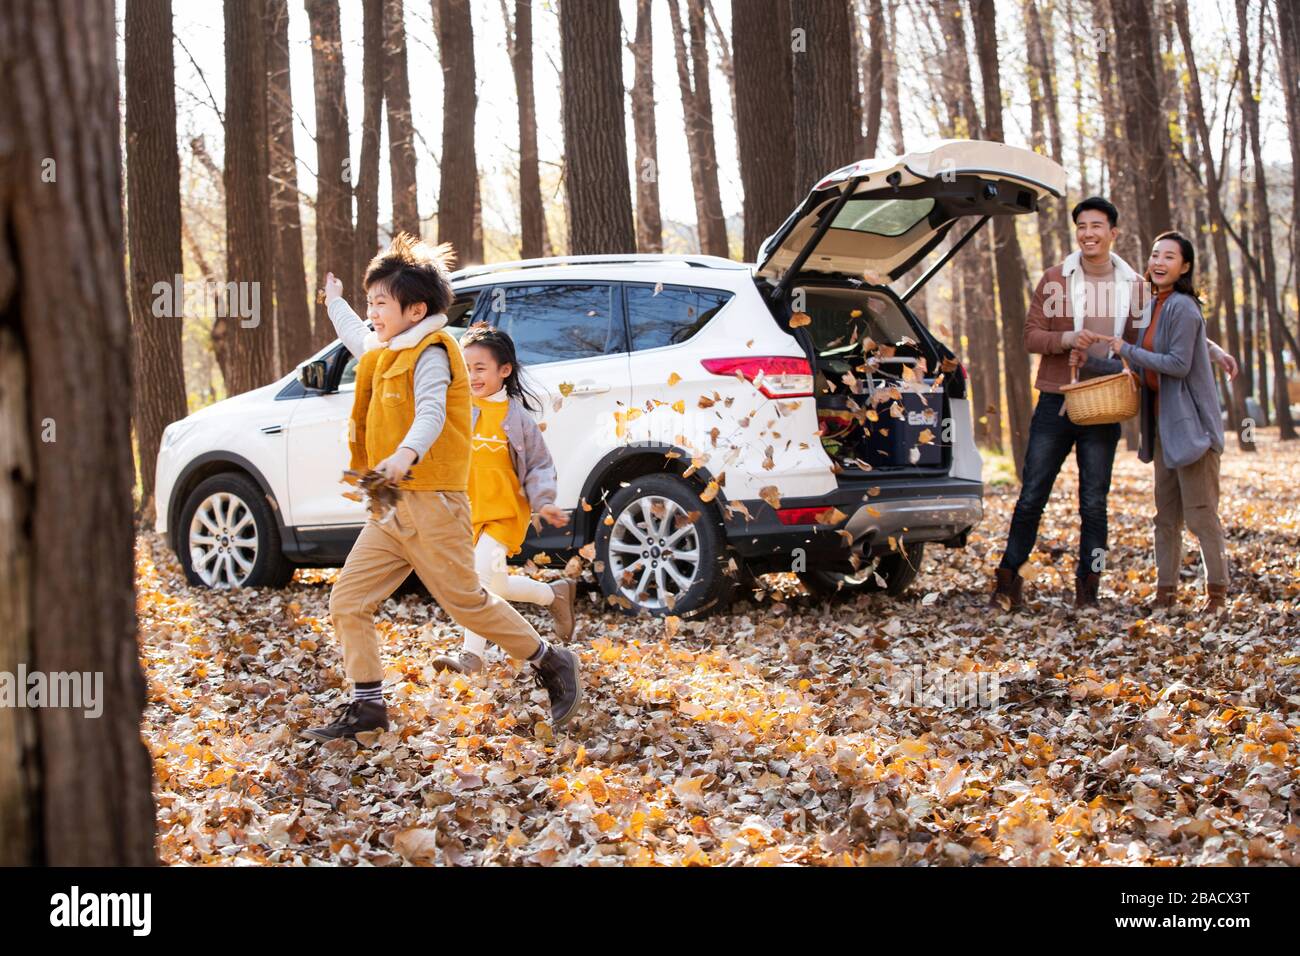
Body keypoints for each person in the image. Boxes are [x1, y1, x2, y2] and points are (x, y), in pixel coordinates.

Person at [301, 234, 582, 742]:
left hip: (433, 499)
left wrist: (405, 454)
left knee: (466, 602)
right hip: (390, 506)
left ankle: (551, 660)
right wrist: (337, 301)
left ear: (416, 310)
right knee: (348, 600)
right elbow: (353, 337)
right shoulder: (385, 351)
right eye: (370, 304)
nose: (373, 314)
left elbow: (431, 412)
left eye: (380, 304)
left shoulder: (434, 354)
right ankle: (367, 709)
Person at [989, 196, 1237, 609]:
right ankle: (1008, 580)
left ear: (1112, 232)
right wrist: (1067, 339)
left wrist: (1214, 351)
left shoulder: (1134, 285)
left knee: (1094, 502)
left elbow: (1170, 329)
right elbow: (1031, 336)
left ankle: (1089, 590)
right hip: (1056, 400)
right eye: (1082, 226)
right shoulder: (1056, 279)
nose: (1089, 233)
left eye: (1097, 226)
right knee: (1032, 495)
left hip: (1104, 405)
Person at [1081, 232, 1229, 614]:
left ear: (1185, 266)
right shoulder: (1153, 305)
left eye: (1169, 256)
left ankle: (1217, 594)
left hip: (1192, 429)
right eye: (1154, 254)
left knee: (1200, 514)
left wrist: (1126, 350)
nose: (1158, 262)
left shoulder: (1182, 305)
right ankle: (1166, 593)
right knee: (1165, 516)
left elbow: (1178, 363)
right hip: (1164, 429)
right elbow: (1176, 343)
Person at [431, 324, 577, 674]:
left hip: (505, 514)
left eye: (480, 368)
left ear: (505, 370)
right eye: (465, 368)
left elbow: (540, 466)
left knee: (476, 580)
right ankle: (553, 595)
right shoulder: (458, 409)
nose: (472, 376)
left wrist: (543, 501)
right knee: (496, 584)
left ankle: (472, 657)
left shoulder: (517, 419)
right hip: (469, 513)